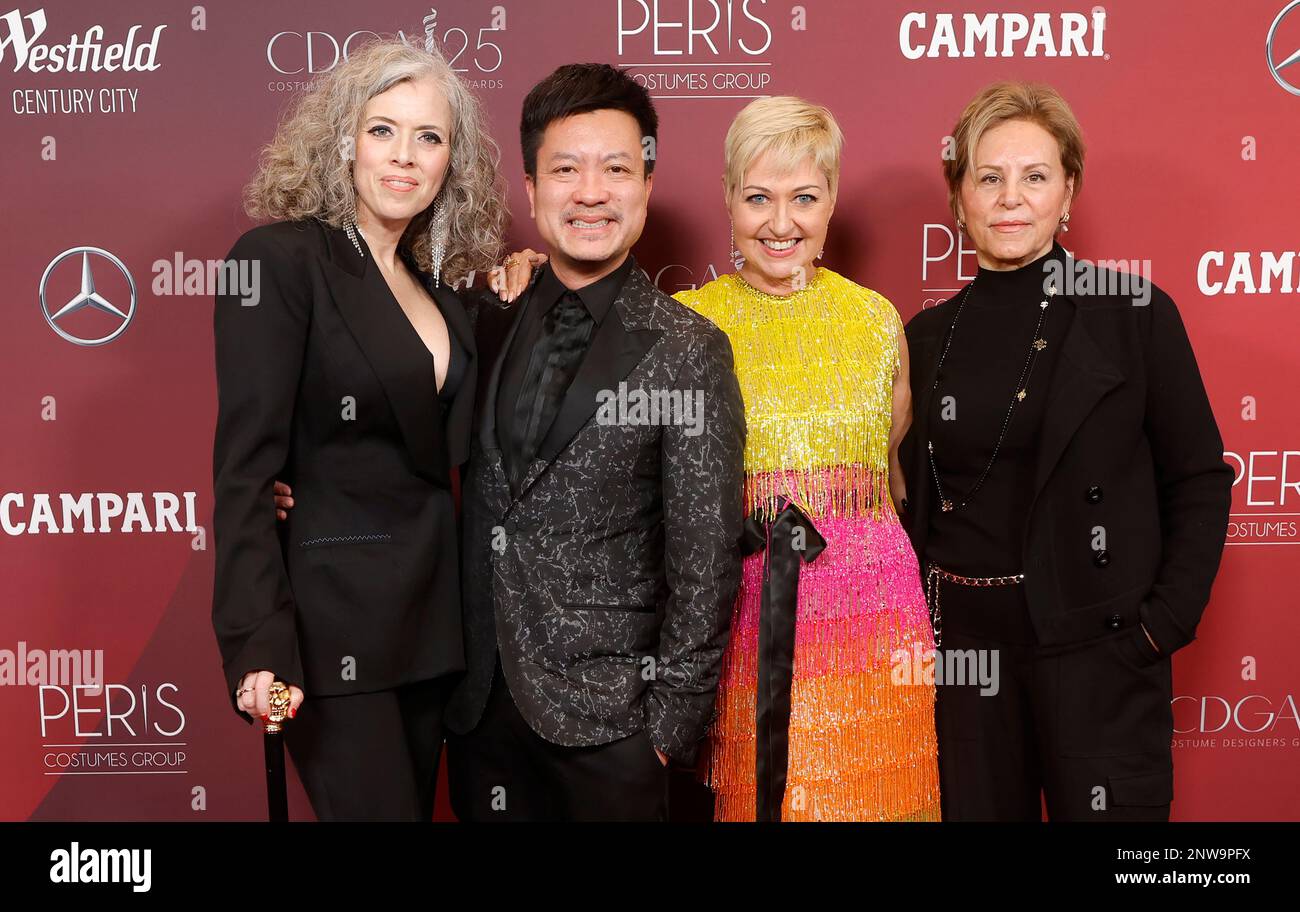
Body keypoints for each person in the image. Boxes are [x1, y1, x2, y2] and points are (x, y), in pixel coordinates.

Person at [898, 81, 1233, 821]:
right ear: (959, 198)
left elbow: (1201, 481)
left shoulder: (1133, 315)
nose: (1011, 198)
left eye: (1036, 176)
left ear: (1068, 192)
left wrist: (1158, 628)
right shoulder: (922, 340)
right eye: (989, 177)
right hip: (964, 665)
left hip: (1098, 653)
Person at [211, 35, 506, 821]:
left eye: (429, 137)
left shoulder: (440, 293)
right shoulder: (278, 261)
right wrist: (257, 644)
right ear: (343, 139)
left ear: (453, 163)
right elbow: (244, 473)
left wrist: (524, 285)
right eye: (382, 129)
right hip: (330, 632)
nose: (404, 156)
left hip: (436, 632)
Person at [442, 63, 746, 822]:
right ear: (533, 186)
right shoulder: (483, 317)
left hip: (615, 725)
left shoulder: (687, 347)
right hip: (480, 712)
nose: (590, 193)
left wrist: (666, 728)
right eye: (566, 170)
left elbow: (706, 554)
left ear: (646, 185)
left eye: (616, 169)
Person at [672, 97, 940, 821]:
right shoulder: (691, 322)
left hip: (876, 622)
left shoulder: (877, 320)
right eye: (758, 197)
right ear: (728, 201)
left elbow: (891, 475)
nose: (781, 223)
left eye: (804, 198)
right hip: (748, 618)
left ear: (830, 205)